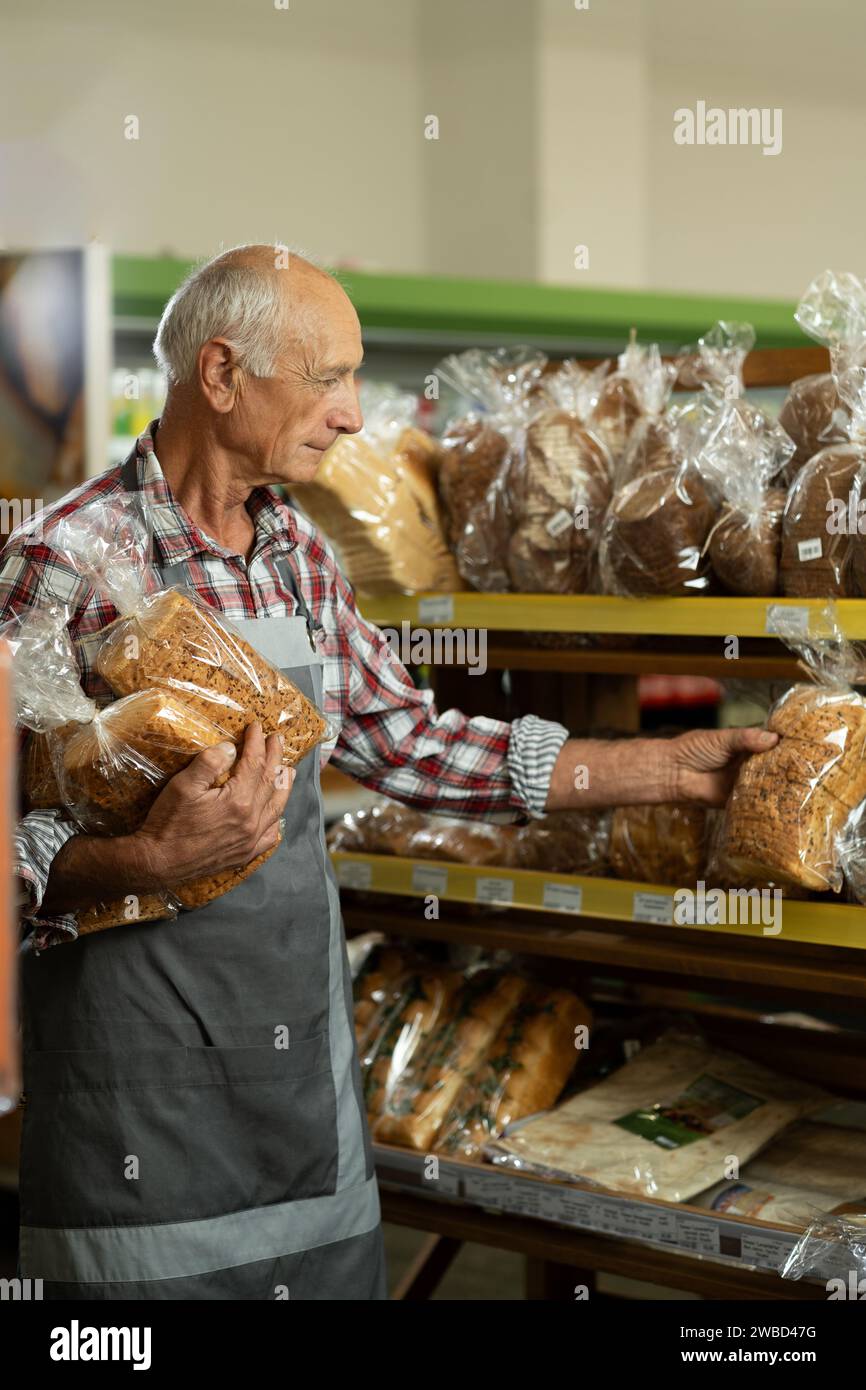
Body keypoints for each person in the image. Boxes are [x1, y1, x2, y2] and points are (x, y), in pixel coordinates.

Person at [2, 245, 777, 1300]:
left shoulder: (300, 556)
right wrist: (143, 858)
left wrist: (663, 768)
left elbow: (414, 745)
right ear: (221, 374)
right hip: (137, 1136)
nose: (354, 415)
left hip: (301, 1122)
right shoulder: (62, 560)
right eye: (327, 378)